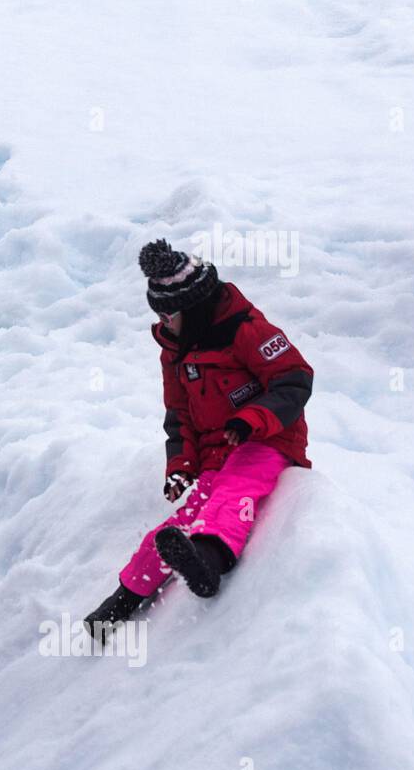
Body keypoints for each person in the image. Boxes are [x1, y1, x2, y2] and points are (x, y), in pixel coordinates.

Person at [85, 240, 314, 640]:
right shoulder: (173, 349)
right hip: (217, 456)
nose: (162, 320)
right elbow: (180, 417)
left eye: (168, 313)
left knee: (234, 490)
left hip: (269, 441)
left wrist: (250, 420)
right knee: (176, 525)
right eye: (158, 313)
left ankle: (208, 561)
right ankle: (123, 600)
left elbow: (294, 377)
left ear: (192, 310)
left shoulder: (245, 329)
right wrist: (181, 466)